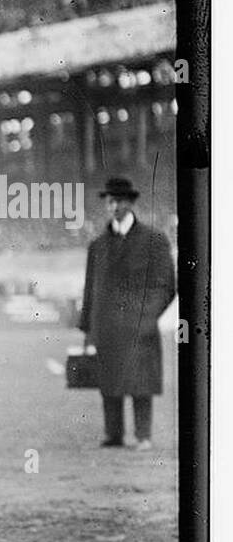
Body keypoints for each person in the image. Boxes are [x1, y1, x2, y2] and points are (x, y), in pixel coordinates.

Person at [78, 176, 177, 450]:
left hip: (140, 326)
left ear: (131, 203)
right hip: (106, 326)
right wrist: (87, 329)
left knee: (140, 381)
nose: (114, 206)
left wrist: (147, 317)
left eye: (119, 201)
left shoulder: (154, 240)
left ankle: (143, 435)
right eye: (110, 201)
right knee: (109, 381)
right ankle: (114, 434)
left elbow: (165, 285)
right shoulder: (97, 246)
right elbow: (90, 290)